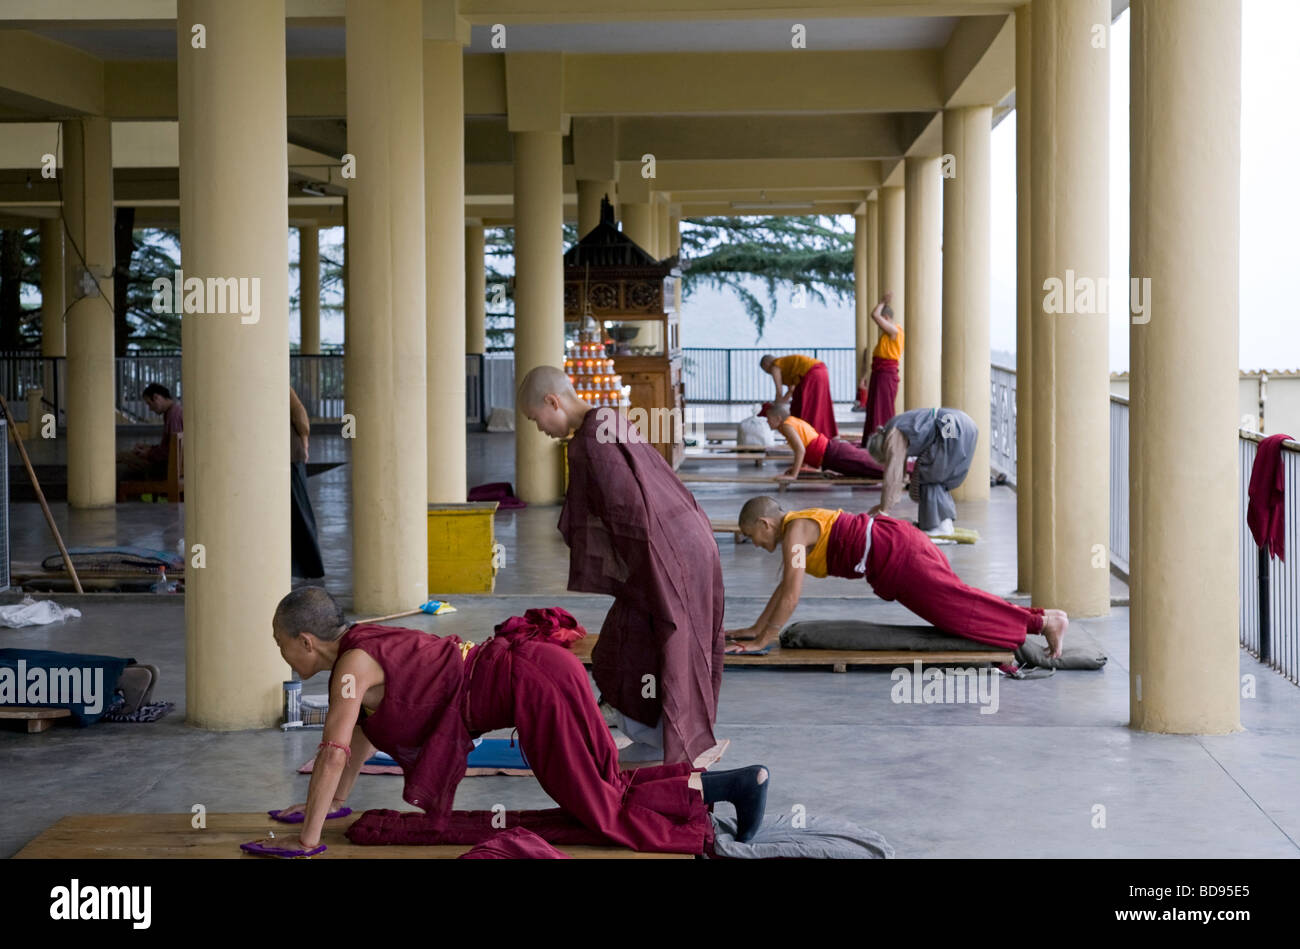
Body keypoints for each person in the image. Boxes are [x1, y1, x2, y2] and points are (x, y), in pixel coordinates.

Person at [260, 588, 770, 855]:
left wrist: (306, 842)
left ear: (306, 640)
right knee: (604, 786)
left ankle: (707, 811)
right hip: (543, 670)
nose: (283, 657)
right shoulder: (364, 645)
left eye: (282, 645)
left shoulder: (351, 667)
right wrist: (325, 809)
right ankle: (736, 784)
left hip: (535, 684)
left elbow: (334, 751)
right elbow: (366, 739)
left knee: (600, 809)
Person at [517, 365, 725, 767]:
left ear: (552, 401)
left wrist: (643, 575)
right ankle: (659, 735)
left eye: (535, 419)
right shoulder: (609, 418)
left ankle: (664, 739)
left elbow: (627, 512)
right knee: (653, 643)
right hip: (692, 539)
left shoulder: (590, 441)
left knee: (635, 647)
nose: (538, 428)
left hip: (668, 552)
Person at [725, 497, 1069, 659]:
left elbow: (792, 596)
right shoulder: (795, 530)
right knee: (960, 601)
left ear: (764, 524)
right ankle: (1040, 621)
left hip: (898, 554)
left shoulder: (796, 532)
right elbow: (785, 586)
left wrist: (765, 641)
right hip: (897, 546)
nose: (754, 544)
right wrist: (756, 628)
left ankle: (1044, 622)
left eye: (752, 536)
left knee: (958, 610)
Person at [865, 407, 977, 535]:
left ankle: (936, 527)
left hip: (951, 428)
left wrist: (884, 510)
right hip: (966, 424)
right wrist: (884, 504)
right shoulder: (895, 425)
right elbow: (900, 473)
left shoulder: (892, 435)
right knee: (936, 478)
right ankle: (944, 523)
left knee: (928, 474)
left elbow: (893, 473)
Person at [763, 401, 883, 479]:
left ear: (778, 418)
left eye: (768, 418)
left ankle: (899, 471)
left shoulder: (786, 426)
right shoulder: (791, 421)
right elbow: (805, 445)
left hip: (833, 454)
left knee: (872, 466)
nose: (767, 421)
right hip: (832, 454)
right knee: (867, 468)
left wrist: (793, 475)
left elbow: (800, 450)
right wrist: (798, 468)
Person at [856, 293, 903, 437]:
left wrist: (882, 301)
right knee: (874, 406)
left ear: (886, 319)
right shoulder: (887, 335)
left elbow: (874, 316)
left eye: (883, 320)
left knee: (882, 408)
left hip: (886, 374)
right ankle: (873, 438)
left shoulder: (895, 331)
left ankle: (883, 439)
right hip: (880, 373)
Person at [290, 386, 325, 580]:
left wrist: (303, 441)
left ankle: (311, 567)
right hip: (292, 455)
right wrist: (304, 441)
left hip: (291, 455)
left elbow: (299, 416)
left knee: (299, 513)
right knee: (300, 513)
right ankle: (309, 567)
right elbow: (301, 418)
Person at [759, 353, 838, 438]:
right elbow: (791, 391)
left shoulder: (775, 366)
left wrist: (775, 409)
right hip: (822, 371)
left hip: (812, 374)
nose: (768, 373)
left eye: (766, 370)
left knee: (810, 407)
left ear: (766, 365)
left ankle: (810, 435)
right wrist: (780, 406)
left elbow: (779, 391)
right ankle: (799, 432)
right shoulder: (786, 366)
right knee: (799, 404)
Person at [117, 383, 182, 480]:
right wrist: (150, 448)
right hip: (169, 465)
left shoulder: (173, 416)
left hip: (165, 468)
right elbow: (169, 447)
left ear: (156, 397)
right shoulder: (174, 411)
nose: (150, 409)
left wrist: (148, 454)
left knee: (120, 458)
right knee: (122, 459)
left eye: (149, 404)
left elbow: (171, 452)